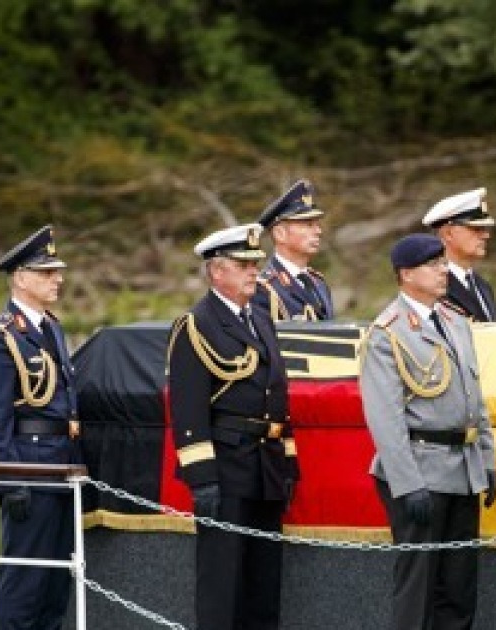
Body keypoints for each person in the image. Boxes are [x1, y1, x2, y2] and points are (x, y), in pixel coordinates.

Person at [359, 233, 496, 630]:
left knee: (458, 590)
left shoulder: (455, 322)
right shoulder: (388, 333)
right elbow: (385, 419)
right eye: (433, 265)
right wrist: (407, 484)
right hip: (421, 470)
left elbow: (476, 400)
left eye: (443, 263)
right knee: (418, 590)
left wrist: (487, 461)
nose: (443, 271)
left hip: (463, 469)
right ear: (406, 274)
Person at [167, 222, 299, 630]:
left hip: (265, 468)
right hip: (225, 470)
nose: (253, 271)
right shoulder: (197, 325)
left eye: (255, 263)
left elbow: (277, 394)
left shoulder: (261, 319)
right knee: (222, 585)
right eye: (243, 264)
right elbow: (187, 410)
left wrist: (289, 462)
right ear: (216, 272)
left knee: (263, 584)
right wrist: (202, 479)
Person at [0, 225, 83, 630]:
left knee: (56, 585)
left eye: (57, 271)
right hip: (30, 472)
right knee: (25, 583)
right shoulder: (1, 339)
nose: (57, 279)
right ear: (20, 278)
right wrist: (10, 484)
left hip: (61, 468)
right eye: (46, 272)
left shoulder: (51, 327)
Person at [253, 179, 335, 321]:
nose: (318, 231)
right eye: (308, 225)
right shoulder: (264, 289)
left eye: (317, 224)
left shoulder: (318, 283)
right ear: (280, 234)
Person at [422, 187, 496, 322]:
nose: (486, 235)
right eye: (476, 229)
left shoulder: (482, 286)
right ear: (448, 233)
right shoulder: (431, 286)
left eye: (485, 229)